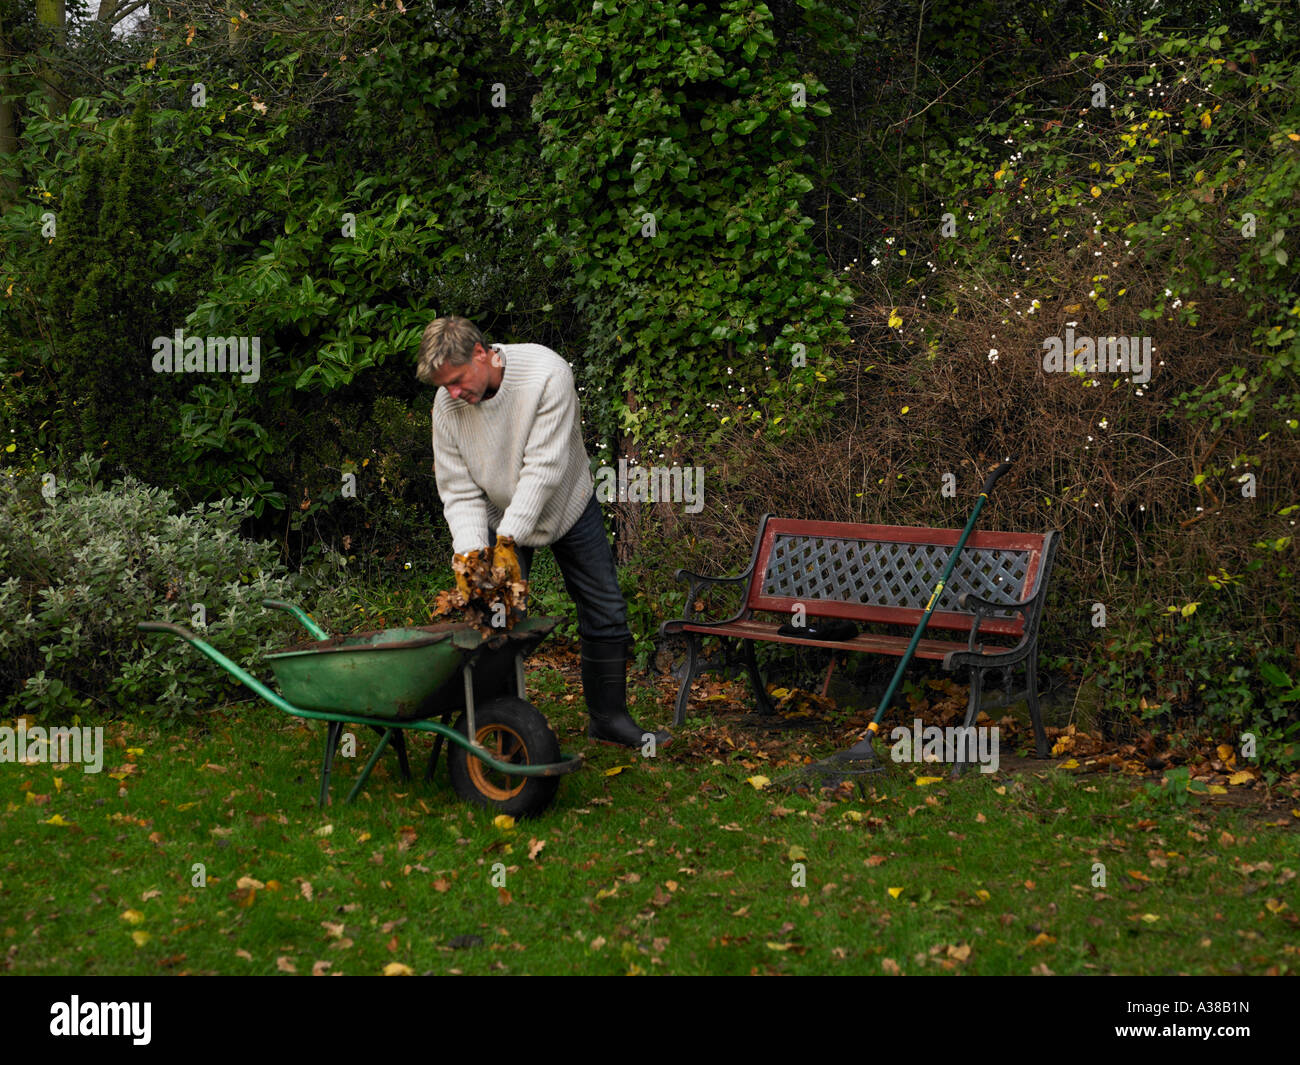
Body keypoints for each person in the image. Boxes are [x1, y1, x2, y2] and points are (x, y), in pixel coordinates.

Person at [416, 316, 671, 750]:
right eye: (445, 386)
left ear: (482, 353)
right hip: (500, 513)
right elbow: (458, 490)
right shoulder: (447, 407)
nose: (453, 393)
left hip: (566, 502)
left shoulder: (547, 373)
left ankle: (610, 720)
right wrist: (473, 555)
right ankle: (504, 727)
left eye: (457, 380)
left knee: (605, 609)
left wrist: (507, 543)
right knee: (495, 620)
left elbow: (543, 471)